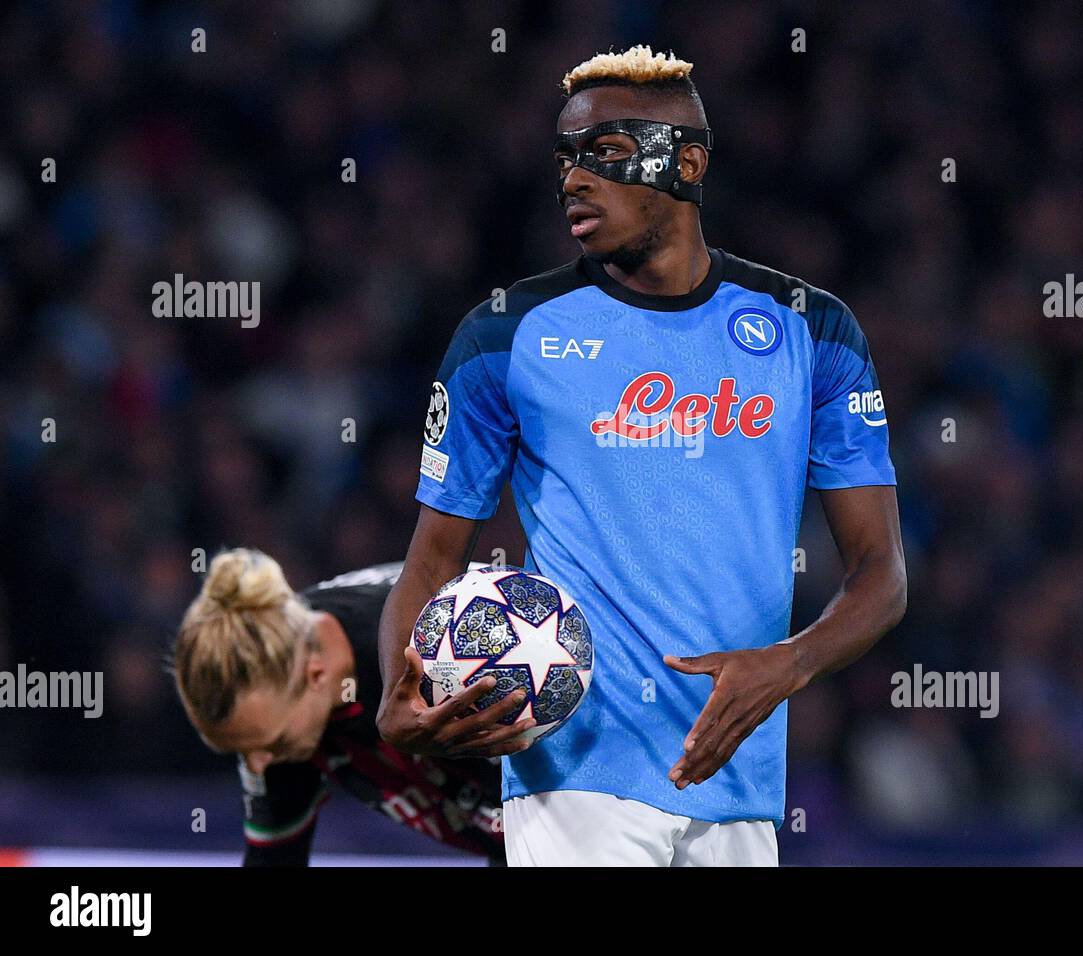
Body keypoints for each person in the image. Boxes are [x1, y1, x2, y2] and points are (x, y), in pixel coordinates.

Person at [376, 44, 907, 866]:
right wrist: (394, 695)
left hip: (739, 783)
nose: (574, 179)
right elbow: (432, 558)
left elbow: (882, 574)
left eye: (607, 154)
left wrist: (789, 664)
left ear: (688, 162)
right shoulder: (503, 337)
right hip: (574, 775)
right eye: (565, 160)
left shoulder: (813, 332)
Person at [173, 549, 519, 865]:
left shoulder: (438, 657)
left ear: (316, 673)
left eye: (270, 744)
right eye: (243, 750)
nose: (258, 765)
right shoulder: (280, 675)